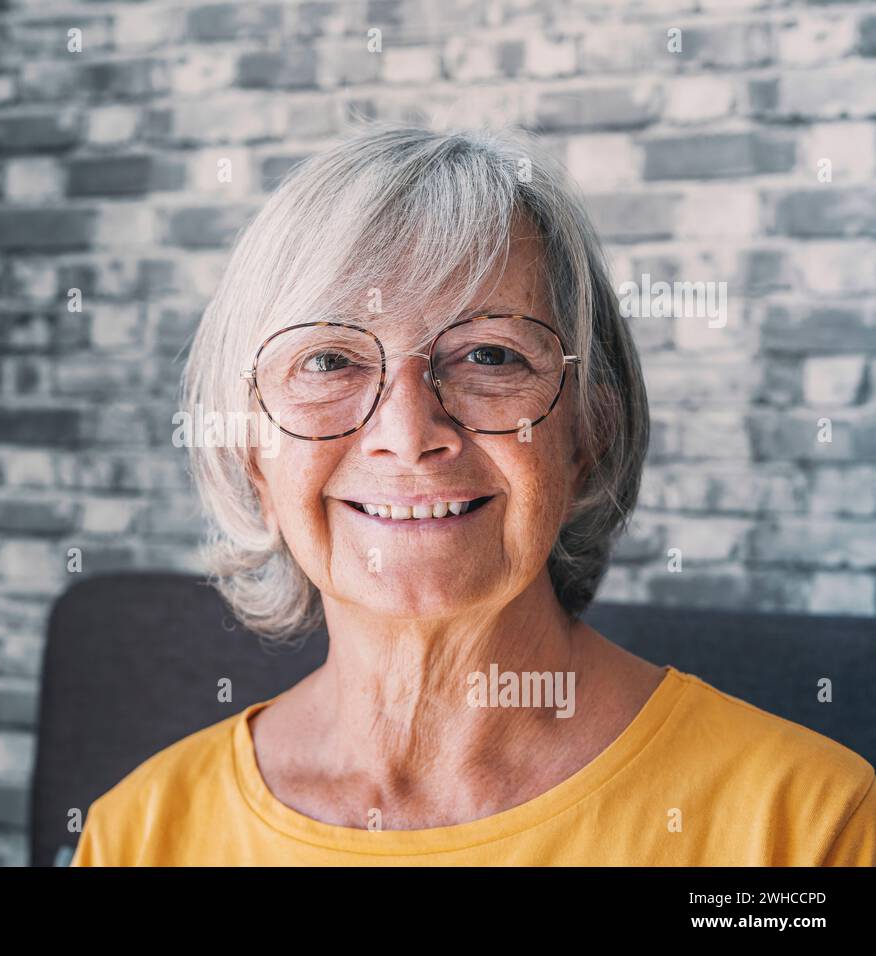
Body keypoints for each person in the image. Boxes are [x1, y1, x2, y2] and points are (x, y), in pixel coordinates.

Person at [72, 124, 875, 866]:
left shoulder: (806, 828)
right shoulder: (139, 834)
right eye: (328, 361)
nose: (408, 430)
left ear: (588, 432)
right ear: (250, 445)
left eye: (490, 354)